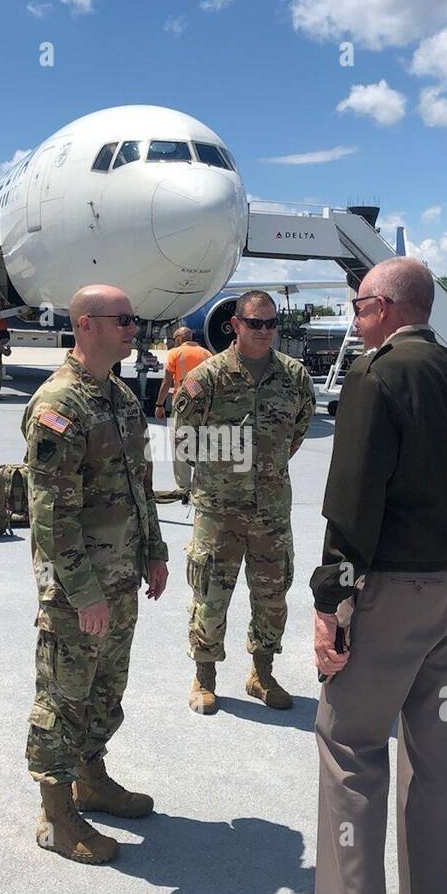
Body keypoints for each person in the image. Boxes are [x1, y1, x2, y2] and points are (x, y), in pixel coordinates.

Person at [310, 257, 447, 894]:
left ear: (388, 306)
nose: (354, 319)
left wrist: (331, 599)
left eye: (359, 306)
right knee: (434, 753)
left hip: (394, 586)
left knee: (351, 746)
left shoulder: (377, 372)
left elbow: (354, 494)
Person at [22, 285, 168, 865]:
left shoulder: (119, 397)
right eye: (123, 319)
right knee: (63, 696)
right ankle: (56, 815)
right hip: (78, 589)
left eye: (136, 318)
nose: (135, 328)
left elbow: (140, 483)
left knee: (106, 690)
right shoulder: (61, 405)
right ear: (86, 325)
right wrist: (83, 593)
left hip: (121, 578)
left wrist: (153, 551)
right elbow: (50, 516)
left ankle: (91, 779)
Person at [171, 291, 315, 714]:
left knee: (272, 597)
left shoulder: (294, 377)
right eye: (255, 323)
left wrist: (264, 467)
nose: (265, 331)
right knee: (211, 595)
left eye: (272, 324)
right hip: (219, 512)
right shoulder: (207, 377)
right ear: (235, 325)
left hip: (271, 511)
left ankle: (262, 673)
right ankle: (205, 675)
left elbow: (298, 430)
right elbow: (184, 437)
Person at [154, 325, 212, 496]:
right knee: (203, 444)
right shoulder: (207, 354)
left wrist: (159, 404)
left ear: (179, 339)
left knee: (180, 446)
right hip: (205, 406)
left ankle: (184, 487)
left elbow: (166, 381)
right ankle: (202, 485)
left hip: (183, 406)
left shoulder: (175, 352)